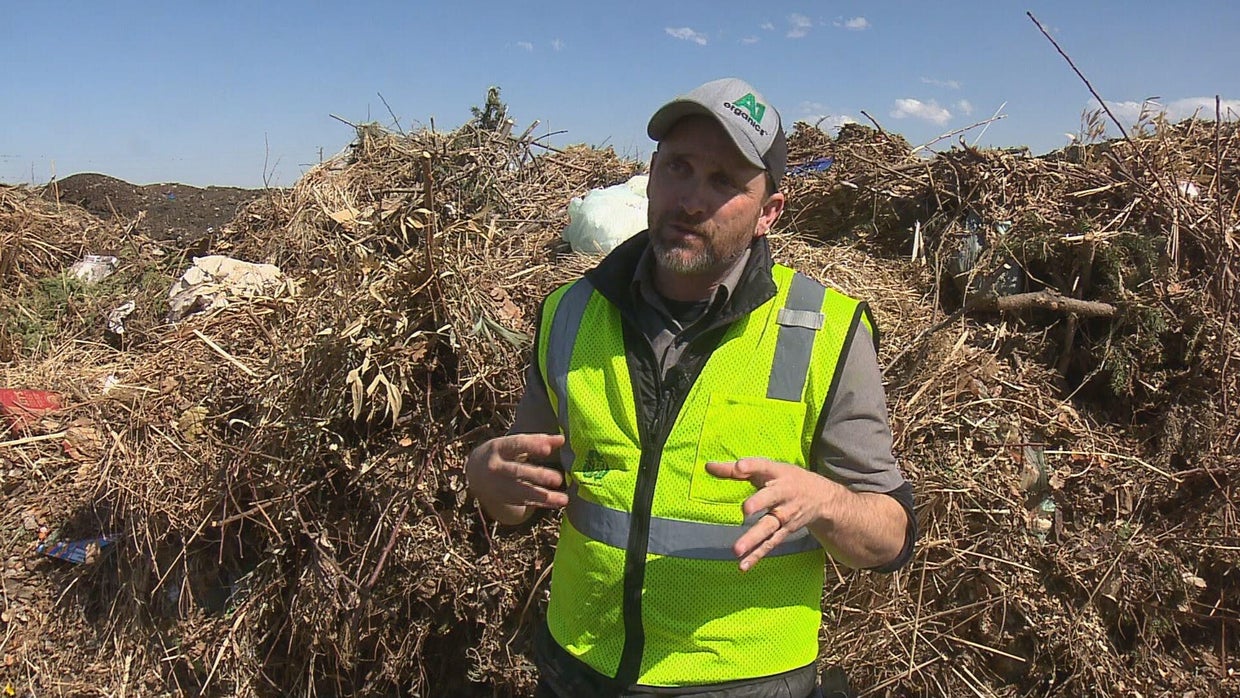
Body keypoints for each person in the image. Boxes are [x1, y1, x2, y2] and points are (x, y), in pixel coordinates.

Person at [466, 77, 915, 698]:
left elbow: (890, 535)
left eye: (725, 182)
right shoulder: (570, 314)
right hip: (578, 672)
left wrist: (828, 503)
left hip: (744, 683)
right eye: (679, 167)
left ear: (769, 213)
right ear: (650, 175)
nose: (691, 200)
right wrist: (486, 478)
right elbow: (519, 500)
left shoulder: (824, 330)